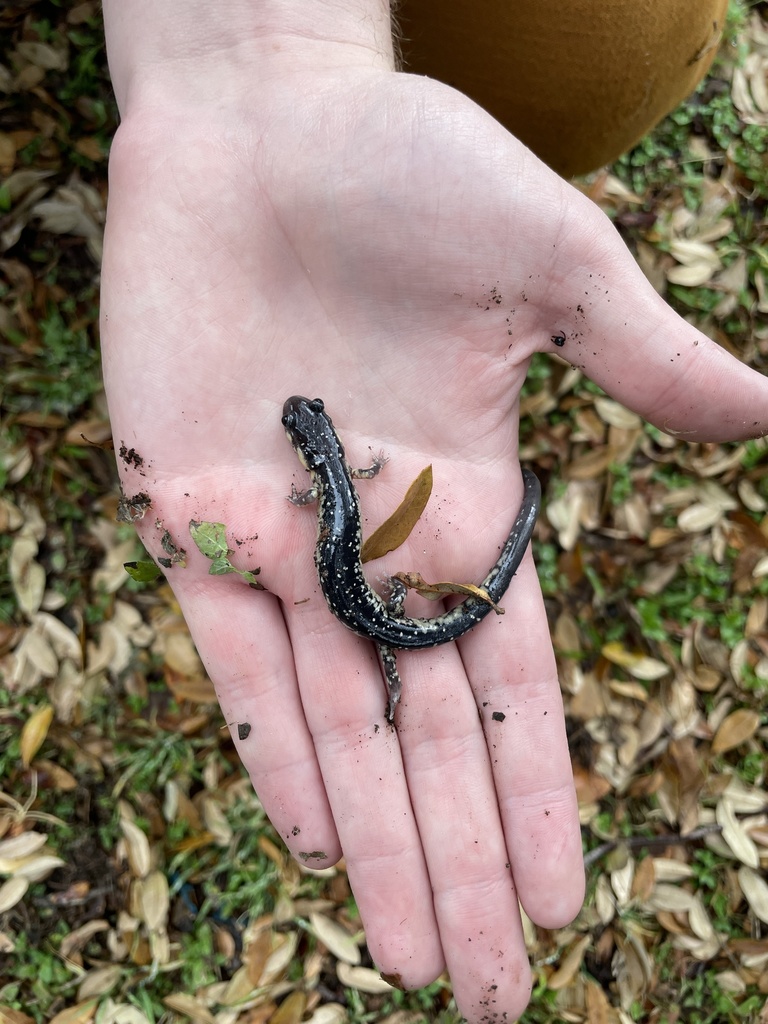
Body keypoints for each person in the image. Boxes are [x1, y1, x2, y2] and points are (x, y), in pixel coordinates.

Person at [100, 3, 768, 1021]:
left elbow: (332, 503)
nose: (314, 452)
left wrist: (262, 59)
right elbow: (335, 506)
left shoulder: (324, 481)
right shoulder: (328, 483)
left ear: (315, 448)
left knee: (616, 49)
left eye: (311, 438)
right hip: (377, 598)